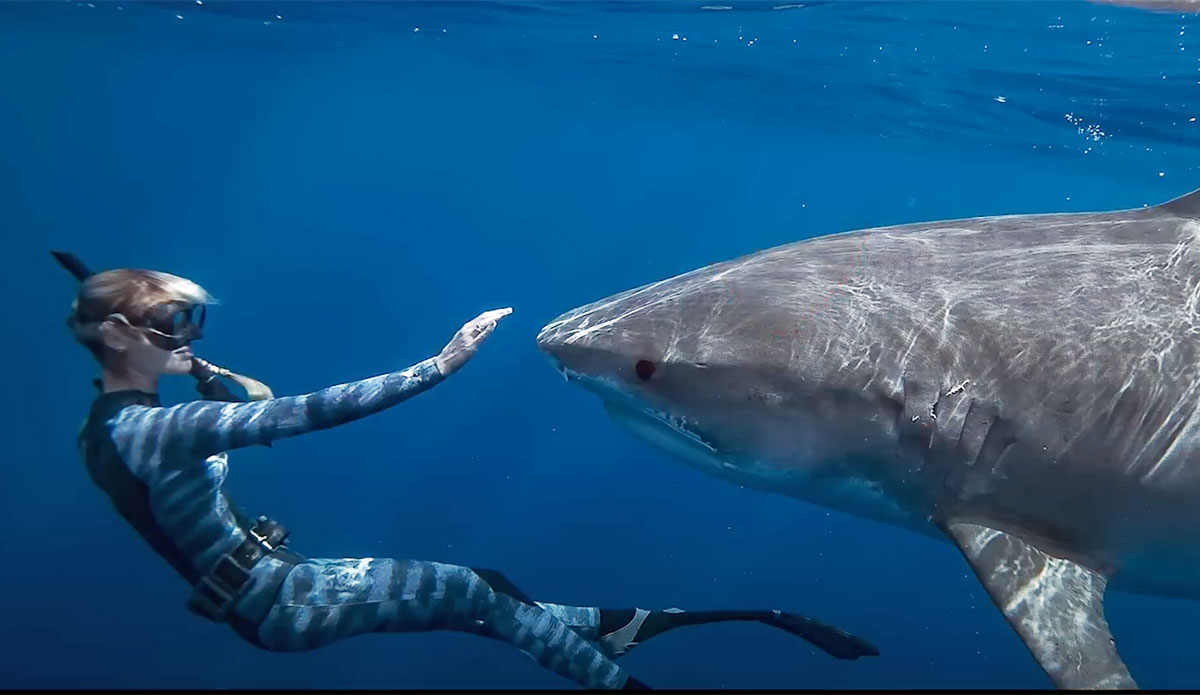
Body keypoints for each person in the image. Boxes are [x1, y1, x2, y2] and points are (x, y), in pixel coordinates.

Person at [54, 251, 879, 690]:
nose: (188, 333)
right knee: (476, 590)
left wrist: (205, 375)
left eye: (192, 319)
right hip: (283, 600)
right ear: (119, 336)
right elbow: (305, 411)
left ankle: (607, 626)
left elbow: (223, 439)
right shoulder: (167, 431)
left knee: (514, 605)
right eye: (171, 322)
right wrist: (441, 364)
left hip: (274, 583)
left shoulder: (112, 429)